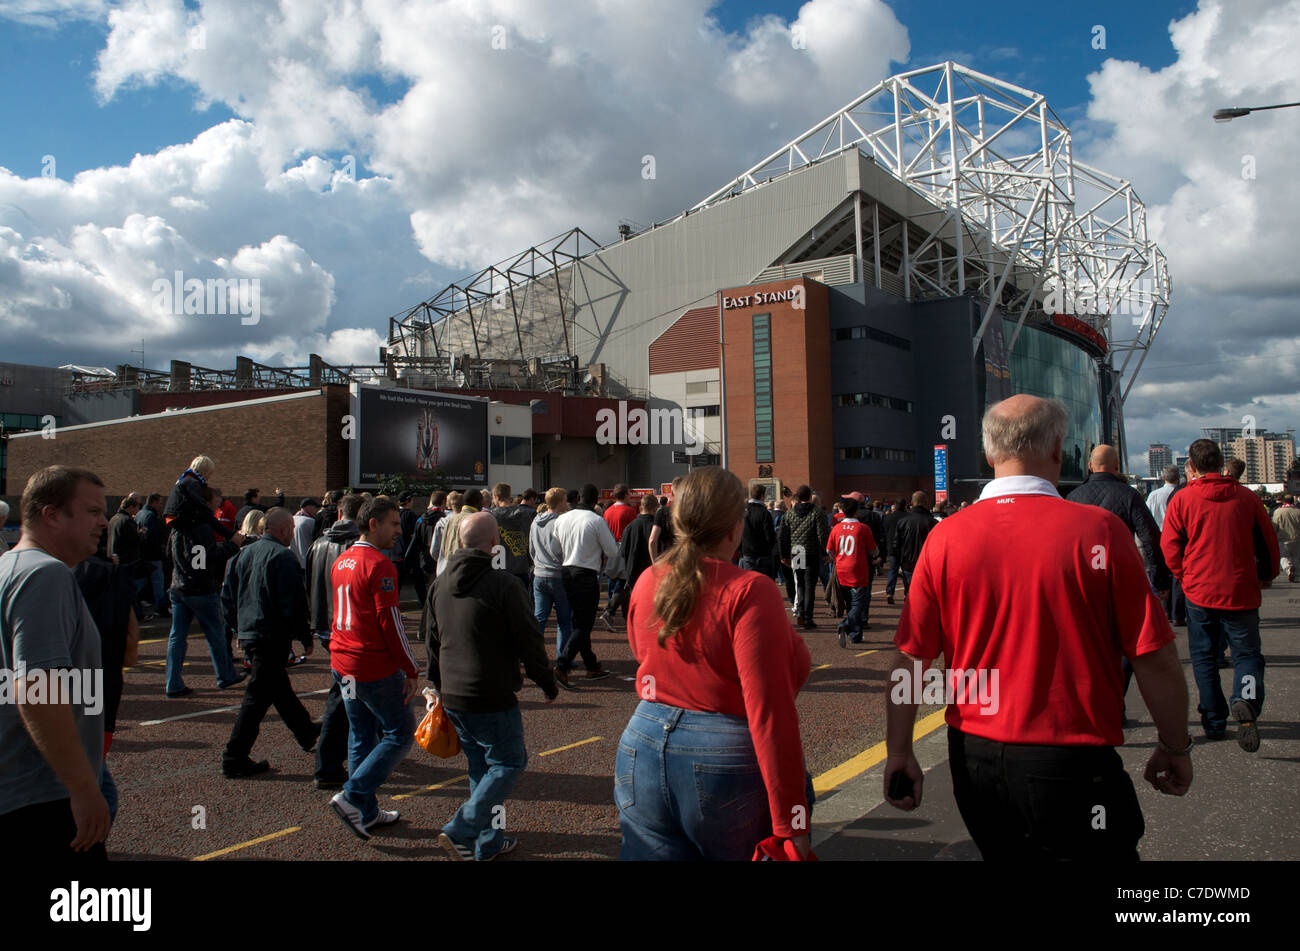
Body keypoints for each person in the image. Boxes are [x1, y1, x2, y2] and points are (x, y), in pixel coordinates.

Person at [885, 395, 1192, 860]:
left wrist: (899, 750)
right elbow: (1154, 656)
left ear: (990, 454)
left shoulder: (945, 537)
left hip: (975, 756)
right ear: (1057, 447)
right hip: (1071, 754)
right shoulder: (1099, 531)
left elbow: (911, 658)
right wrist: (1175, 744)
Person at [617, 466, 813, 860]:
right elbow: (770, 711)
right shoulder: (751, 590)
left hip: (642, 737)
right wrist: (792, 823)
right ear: (734, 528)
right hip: (721, 751)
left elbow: (644, 653)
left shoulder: (649, 579)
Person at [423, 512, 558, 860]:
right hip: (491, 692)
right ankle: (462, 829)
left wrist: (435, 684)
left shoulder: (438, 584)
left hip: (454, 693)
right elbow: (529, 638)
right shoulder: (503, 584)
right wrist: (546, 681)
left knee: (481, 769)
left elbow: (431, 641)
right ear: (494, 543)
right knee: (509, 763)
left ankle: (488, 842)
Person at [0, 466, 111, 857]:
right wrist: (82, 787)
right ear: (51, 515)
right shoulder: (45, 575)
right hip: (43, 796)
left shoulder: (7, 569)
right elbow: (35, 687)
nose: (104, 521)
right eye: (92, 511)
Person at [1161, 439, 1279, 751]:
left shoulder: (1183, 500)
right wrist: (1267, 575)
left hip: (1199, 591)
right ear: (1221, 463)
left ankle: (1213, 720)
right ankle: (1247, 698)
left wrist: (1183, 576)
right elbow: (1267, 541)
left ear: (1191, 466)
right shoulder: (1246, 497)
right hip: (1240, 589)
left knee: (1203, 657)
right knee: (1247, 654)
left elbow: (1170, 546)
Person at [326, 498, 419, 839]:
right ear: (373, 524)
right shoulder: (380, 565)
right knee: (399, 733)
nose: (399, 530)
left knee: (362, 733)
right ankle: (353, 796)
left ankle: (364, 811)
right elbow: (390, 622)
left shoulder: (343, 559)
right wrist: (411, 667)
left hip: (343, 662)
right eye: (394, 524)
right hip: (371, 665)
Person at [1068, 445, 1172, 713]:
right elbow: (1150, 538)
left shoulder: (1073, 497)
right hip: (1120, 575)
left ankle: (1093, 701)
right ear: (1116, 466)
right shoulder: (1129, 495)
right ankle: (1116, 699)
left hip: (1082, 579)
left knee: (1088, 641)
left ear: (1090, 466)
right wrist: (1160, 580)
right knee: (1125, 642)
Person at [221, 507, 319, 777]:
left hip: (251, 632)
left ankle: (305, 730)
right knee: (257, 696)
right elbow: (294, 601)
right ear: (284, 529)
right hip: (271, 633)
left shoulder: (242, 555)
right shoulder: (282, 557)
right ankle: (234, 755)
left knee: (275, 688)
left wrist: (237, 627)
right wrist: (303, 634)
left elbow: (227, 597)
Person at [74, 530, 140, 822]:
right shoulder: (111, 577)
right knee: (101, 798)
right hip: (96, 692)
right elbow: (130, 652)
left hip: (63, 692)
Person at [305, 493, 364, 789]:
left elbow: (308, 584)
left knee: (347, 693)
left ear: (339, 511)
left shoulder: (318, 544)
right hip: (347, 629)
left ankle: (358, 751)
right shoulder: (358, 547)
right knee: (343, 699)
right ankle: (328, 765)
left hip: (326, 625)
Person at [165, 486, 246, 697]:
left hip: (178, 585)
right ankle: (225, 675)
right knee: (216, 633)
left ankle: (172, 681)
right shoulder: (201, 528)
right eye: (214, 502)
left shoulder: (178, 526)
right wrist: (232, 546)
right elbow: (201, 561)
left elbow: (170, 554)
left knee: (177, 636)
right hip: (199, 588)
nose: (217, 506)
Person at [548, 483, 618, 688]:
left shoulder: (562, 519)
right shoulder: (596, 520)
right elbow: (612, 551)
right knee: (584, 623)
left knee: (579, 620)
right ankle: (562, 665)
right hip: (586, 574)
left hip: (566, 572)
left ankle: (591, 665)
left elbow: (554, 549)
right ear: (595, 500)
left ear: (579, 498)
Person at [827, 497, 881, 646]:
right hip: (857, 569)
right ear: (856, 511)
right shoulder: (863, 528)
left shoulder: (836, 528)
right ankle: (845, 624)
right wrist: (876, 558)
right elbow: (874, 550)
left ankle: (856, 635)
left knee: (851, 603)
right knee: (859, 604)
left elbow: (829, 551)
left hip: (841, 569)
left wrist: (837, 559)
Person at [529, 487, 574, 665]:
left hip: (539, 573)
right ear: (561, 502)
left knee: (539, 618)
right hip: (558, 574)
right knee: (564, 620)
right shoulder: (562, 522)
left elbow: (531, 549)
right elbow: (565, 549)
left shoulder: (535, 521)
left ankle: (533, 655)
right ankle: (563, 658)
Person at [778, 485, 827, 630]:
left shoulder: (789, 513)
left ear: (798, 497)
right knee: (810, 585)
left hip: (796, 551)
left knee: (799, 582)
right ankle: (807, 617)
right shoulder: (817, 513)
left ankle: (799, 610)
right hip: (811, 552)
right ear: (810, 496)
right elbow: (822, 534)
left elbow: (782, 536)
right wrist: (824, 552)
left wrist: (784, 555)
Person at [163, 455, 240, 545]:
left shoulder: (183, 480)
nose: (209, 477)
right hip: (182, 519)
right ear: (205, 471)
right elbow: (202, 509)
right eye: (210, 474)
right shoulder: (193, 483)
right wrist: (229, 534)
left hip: (174, 519)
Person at [487, 482, 537, 596]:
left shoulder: (492, 516)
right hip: (521, 566)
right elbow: (531, 539)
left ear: (496, 497)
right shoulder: (524, 515)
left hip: (499, 568)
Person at [405, 491, 447, 607]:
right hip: (440, 560)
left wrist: (407, 561)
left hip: (424, 560)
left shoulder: (421, 519)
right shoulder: (445, 520)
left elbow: (414, 543)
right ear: (443, 502)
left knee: (429, 587)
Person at [890, 491, 937, 593]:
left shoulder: (903, 521)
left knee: (909, 591)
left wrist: (897, 562)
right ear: (926, 502)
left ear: (912, 502)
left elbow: (896, 544)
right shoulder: (933, 523)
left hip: (907, 562)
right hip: (926, 563)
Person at [739, 482, 777, 578]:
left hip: (747, 553)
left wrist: (741, 549)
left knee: (750, 584)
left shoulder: (743, 511)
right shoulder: (765, 513)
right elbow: (770, 535)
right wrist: (769, 548)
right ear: (762, 496)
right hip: (764, 555)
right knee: (765, 586)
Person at [438, 488, 483, 568]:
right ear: (478, 502)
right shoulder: (477, 520)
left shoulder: (450, 519)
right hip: (466, 570)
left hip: (449, 568)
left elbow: (442, 548)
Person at [429, 491, 464, 577]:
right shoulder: (468, 523)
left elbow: (433, 551)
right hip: (460, 569)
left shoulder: (441, 523)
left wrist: (442, 559)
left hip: (443, 569)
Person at [881, 497, 909, 605]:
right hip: (905, 548)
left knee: (893, 570)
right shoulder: (908, 517)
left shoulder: (888, 518)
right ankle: (907, 594)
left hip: (892, 547)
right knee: (906, 572)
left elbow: (884, 532)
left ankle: (890, 592)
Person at [648, 478, 682, 561]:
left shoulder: (662, 512)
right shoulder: (692, 511)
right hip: (685, 560)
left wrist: (655, 563)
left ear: (672, 492)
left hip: (666, 559)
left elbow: (652, 540)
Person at [1273, 495, 1300, 583]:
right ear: (1293, 501)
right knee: (1296, 557)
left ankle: (1288, 569)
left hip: (1282, 539)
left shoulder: (1278, 512)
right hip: (1297, 538)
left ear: (1284, 501)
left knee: (1283, 557)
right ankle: (1295, 573)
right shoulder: (1298, 511)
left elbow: (1274, 525)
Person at [291, 498, 320, 567]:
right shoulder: (310, 522)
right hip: (306, 562)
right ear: (308, 507)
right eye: (315, 507)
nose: (316, 510)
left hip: (293, 561)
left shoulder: (292, 519)